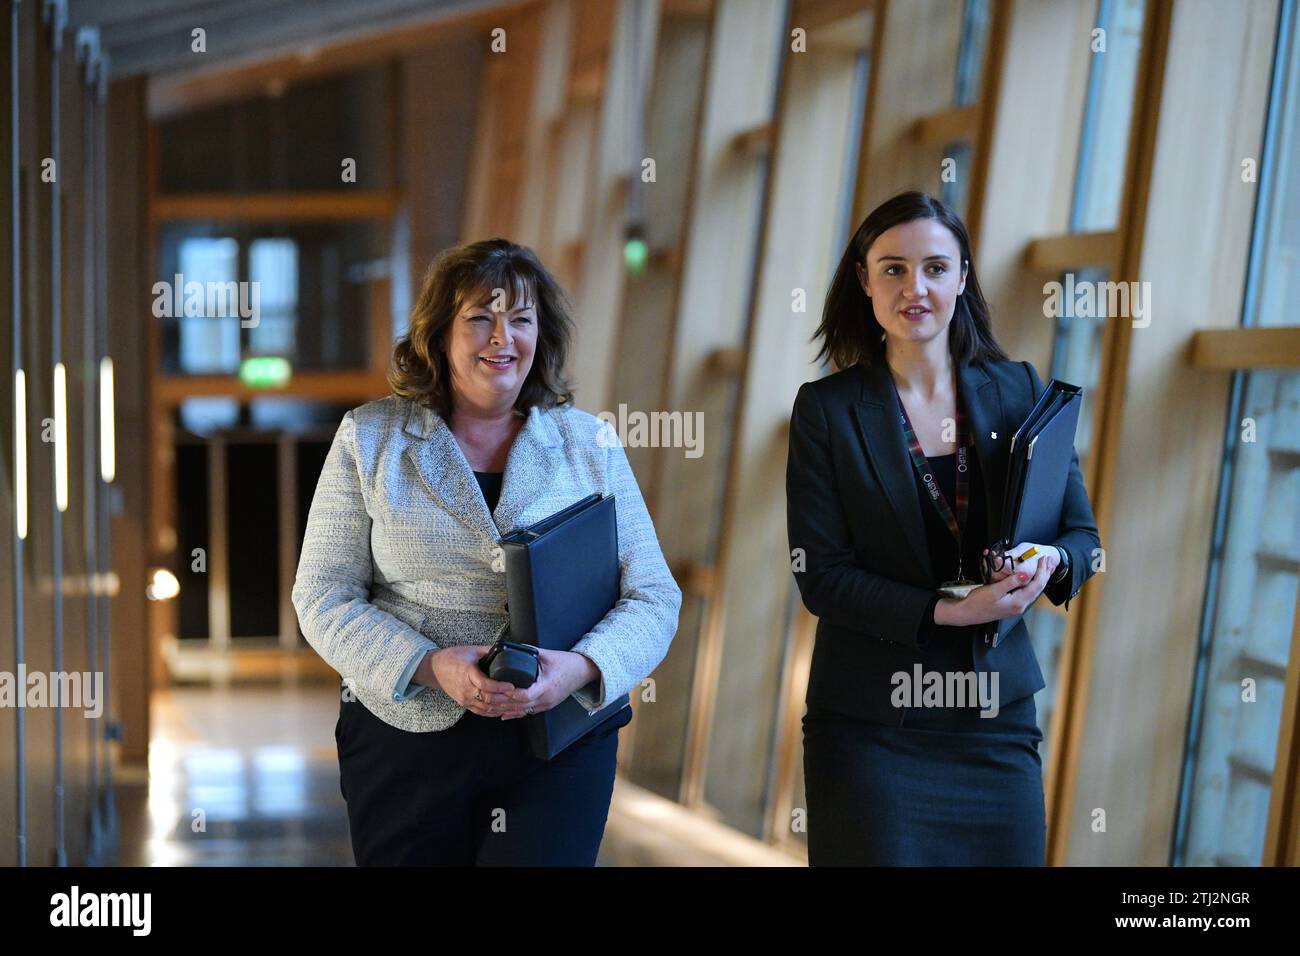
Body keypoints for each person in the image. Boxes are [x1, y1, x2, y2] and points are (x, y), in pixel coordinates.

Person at [293, 238, 681, 866]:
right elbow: (322, 595)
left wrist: (580, 668)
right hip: (406, 736)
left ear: (540, 336)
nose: (502, 337)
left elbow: (654, 596)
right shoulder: (369, 439)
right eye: (480, 317)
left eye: (521, 319)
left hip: (559, 740)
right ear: (439, 335)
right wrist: (427, 664)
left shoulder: (591, 444)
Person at [786, 190, 1100, 865]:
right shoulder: (828, 412)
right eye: (893, 268)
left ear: (962, 277)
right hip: (873, 726)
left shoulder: (1017, 390)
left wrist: (1045, 561)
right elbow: (824, 580)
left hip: (995, 723)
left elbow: (1083, 540)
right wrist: (954, 612)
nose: (914, 288)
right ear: (864, 281)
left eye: (934, 267)